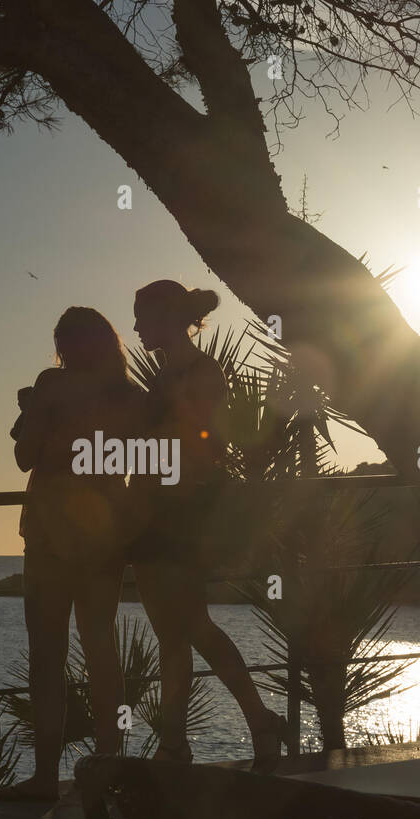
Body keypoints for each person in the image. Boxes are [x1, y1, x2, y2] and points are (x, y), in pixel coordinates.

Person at [130, 279, 288, 772]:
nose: (135, 327)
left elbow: (209, 444)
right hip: (155, 512)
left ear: (165, 317)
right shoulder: (163, 376)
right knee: (177, 634)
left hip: (180, 514)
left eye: (141, 317)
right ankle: (183, 742)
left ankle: (253, 722)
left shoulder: (202, 372)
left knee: (190, 627)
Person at [0, 307, 146, 801]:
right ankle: (108, 768)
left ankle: (46, 778)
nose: (65, 350)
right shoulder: (127, 395)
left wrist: (38, 416)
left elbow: (23, 457)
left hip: (50, 532)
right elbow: (139, 456)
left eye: (67, 340)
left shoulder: (52, 385)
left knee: (49, 654)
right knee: (97, 650)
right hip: (101, 532)